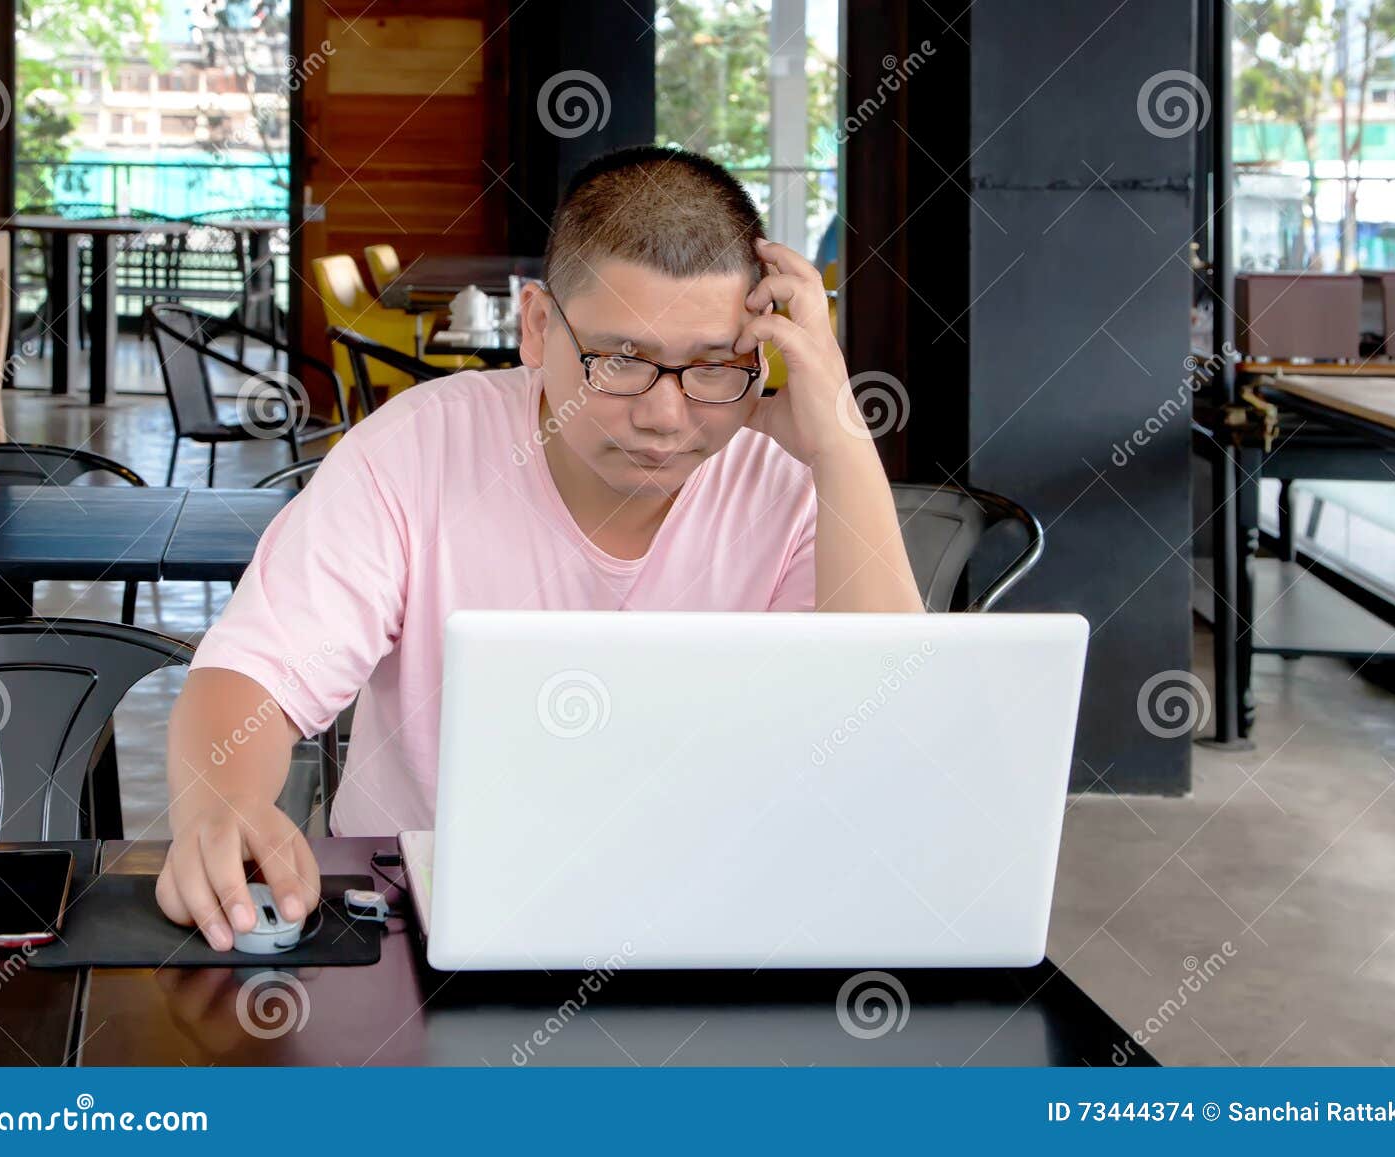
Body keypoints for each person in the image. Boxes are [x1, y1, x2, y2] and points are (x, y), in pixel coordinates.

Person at [157, 145, 923, 950]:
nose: (665, 417)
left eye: (713, 366)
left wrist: (840, 442)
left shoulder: (792, 479)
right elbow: (254, 677)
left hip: (713, 920)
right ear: (534, 328)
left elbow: (889, 741)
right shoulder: (418, 448)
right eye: (621, 361)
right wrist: (220, 804)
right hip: (413, 925)